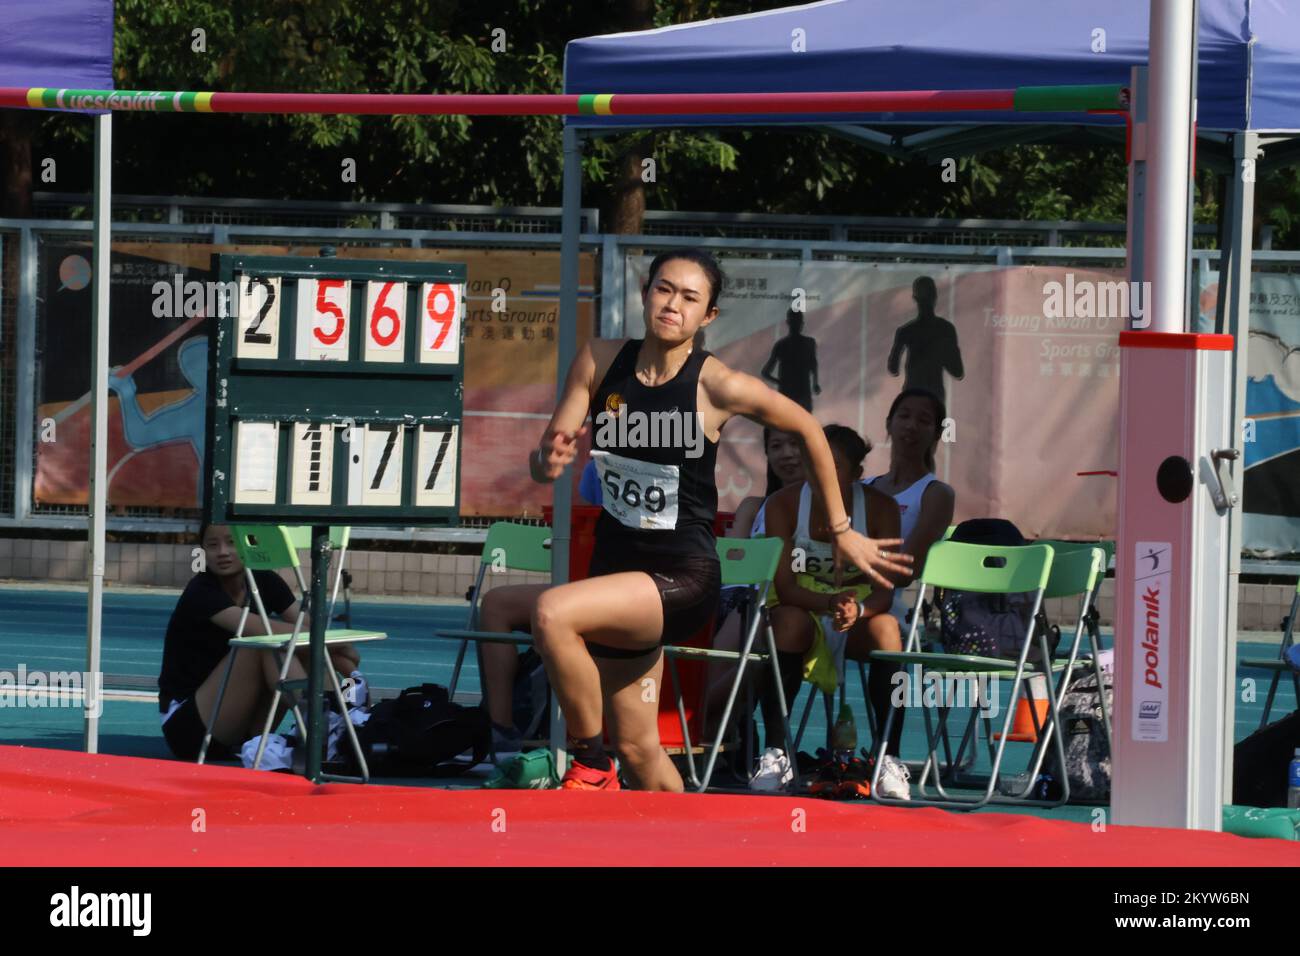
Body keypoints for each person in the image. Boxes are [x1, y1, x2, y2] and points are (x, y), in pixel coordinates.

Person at [530, 248, 911, 791]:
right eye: (664, 289)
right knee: (641, 748)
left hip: (682, 577)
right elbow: (549, 454)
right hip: (618, 573)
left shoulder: (716, 384)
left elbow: (807, 428)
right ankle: (688, 841)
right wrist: (546, 461)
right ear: (645, 294)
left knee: (550, 612)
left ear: (707, 316)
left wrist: (842, 528)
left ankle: (589, 761)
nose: (672, 305)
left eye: (690, 297)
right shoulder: (598, 361)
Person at [750, 425, 903, 793]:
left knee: (888, 630)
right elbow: (785, 587)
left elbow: (885, 593)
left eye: (833, 465)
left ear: (856, 474)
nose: (821, 472)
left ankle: (889, 760)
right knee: (785, 623)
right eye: (815, 462)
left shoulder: (881, 509)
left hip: (857, 615)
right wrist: (830, 602)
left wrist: (858, 610)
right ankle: (775, 754)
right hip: (804, 609)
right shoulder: (783, 505)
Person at [157, 523, 360, 761]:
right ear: (203, 551)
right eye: (213, 545)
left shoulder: (264, 580)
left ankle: (336, 718)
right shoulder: (201, 592)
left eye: (232, 542)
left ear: (248, 544)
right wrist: (341, 647)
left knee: (305, 649)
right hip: (189, 728)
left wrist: (345, 663)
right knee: (264, 644)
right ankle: (318, 725)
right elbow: (273, 631)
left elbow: (306, 627)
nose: (222, 552)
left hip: (242, 729)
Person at [855, 387, 957, 797]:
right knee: (776, 626)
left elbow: (905, 569)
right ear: (889, 424)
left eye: (924, 420)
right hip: (828, 602)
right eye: (904, 416)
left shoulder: (935, 494)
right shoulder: (861, 487)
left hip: (883, 613)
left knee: (886, 633)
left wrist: (855, 568)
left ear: (936, 433)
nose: (912, 426)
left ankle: (888, 759)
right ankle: (761, 749)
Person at [887, 276, 964, 403]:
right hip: (935, 397)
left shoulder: (905, 331)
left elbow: (893, 368)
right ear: (935, 297)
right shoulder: (946, 329)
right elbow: (957, 371)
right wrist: (940, 354)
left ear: (915, 298)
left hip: (911, 395)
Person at [761, 309, 821, 411]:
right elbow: (813, 364)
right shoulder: (783, 345)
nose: (797, 324)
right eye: (796, 321)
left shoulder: (782, 345)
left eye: (798, 321)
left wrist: (782, 383)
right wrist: (815, 383)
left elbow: (813, 364)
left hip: (797, 395)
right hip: (794, 396)